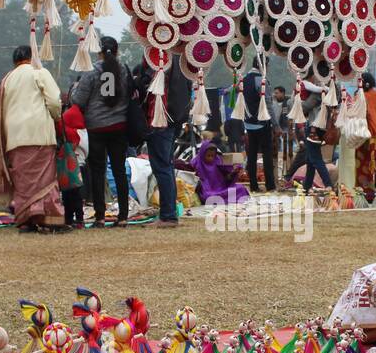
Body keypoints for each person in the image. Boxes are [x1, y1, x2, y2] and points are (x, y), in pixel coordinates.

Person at [0, 45, 64, 233]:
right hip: (39, 132)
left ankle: (26, 220)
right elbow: (53, 101)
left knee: (23, 182)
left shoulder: (7, 79)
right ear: (31, 57)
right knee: (45, 180)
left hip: (14, 135)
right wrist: (57, 117)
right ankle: (49, 219)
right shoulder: (39, 73)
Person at [72, 36, 133, 227]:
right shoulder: (124, 70)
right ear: (117, 51)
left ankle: (100, 216)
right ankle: (123, 215)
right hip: (119, 126)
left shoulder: (91, 71)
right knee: (119, 170)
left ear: (98, 52)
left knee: (97, 171)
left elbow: (78, 100)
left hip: (96, 127)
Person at [144, 55, 191, 228]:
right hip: (176, 118)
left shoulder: (159, 56)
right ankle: (168, 213)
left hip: (161, 118)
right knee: (167, 166)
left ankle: (168, 215)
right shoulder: (182, 58)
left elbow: (147, 85)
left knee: (162, 167)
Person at [241, 63, 277, 192]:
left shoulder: (244, 79)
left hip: (248, 123)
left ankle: (253, 185)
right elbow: (268, 104)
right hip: (262, 122)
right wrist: (276, 125)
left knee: (252, 154)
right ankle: (270, 185)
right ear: (264, 65)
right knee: (267, 154)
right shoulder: (261, 80)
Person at [356, 72, 376, 200]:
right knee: (371, 162)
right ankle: (369, 190)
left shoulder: (363, 96)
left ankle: (366, 192)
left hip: (369, 133)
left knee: (364, 162)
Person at [193, 135, 249, 204]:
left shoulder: (217, 160)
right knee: (208, 197)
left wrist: (233, 173)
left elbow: (226, 178)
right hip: (208, 192)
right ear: (202, 154)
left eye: (212, 156)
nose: (211, 158)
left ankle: (221, 199)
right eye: (208, 156)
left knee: (241, 188)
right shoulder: (196, 163)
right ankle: (224, 199)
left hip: (222, 189)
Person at [58, 101, 87, 229]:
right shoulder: (83, 132)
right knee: (76, 195)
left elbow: (59, 126)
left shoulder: (70, 132)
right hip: (80, 165)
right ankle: (79, 219)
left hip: (70, 167)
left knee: (68, 194)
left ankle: (69, 219)